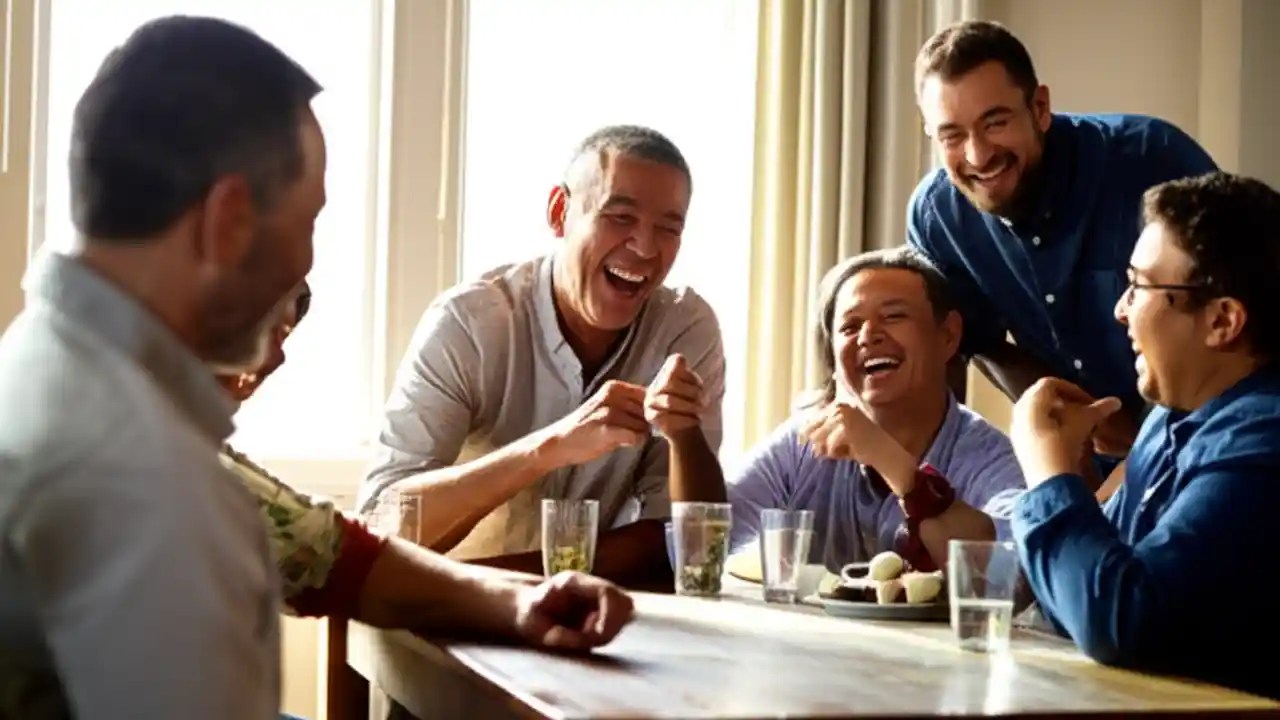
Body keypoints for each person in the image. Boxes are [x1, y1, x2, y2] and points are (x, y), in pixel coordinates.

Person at [0, 18, 626, 720]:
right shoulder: (149, 486)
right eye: (310, 219)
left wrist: (517, 602)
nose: (306, 261)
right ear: (230, 219)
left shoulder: (46, 371)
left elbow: (328, 554)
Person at [359, 125, 726, 586]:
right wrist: (546, 448)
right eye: (619, 217)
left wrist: (685, 436)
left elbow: (677, 545)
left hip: (584, 620)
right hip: (441, 625)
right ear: (559, 212)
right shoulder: (469, 324)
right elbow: (381, 524)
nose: (646, 247)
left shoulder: (686, 330)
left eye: (668, 228)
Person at [220, 282, 633, 646]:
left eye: (286, 329)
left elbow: (339, 558)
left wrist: (524, 600)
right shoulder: (172, 457)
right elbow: (365, 541)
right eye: (267, 324)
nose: (274, 360)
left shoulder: (209, 464)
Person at [1009, 172, 1280, 699]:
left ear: (1223, 320)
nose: (1120, 310)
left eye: (1140, 287)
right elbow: (1071, 602)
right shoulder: (1167, 414)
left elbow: (1122, 621)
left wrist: (1047, 472)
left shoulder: (1264, 438)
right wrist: (1077, 483)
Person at [905, 20, 1218, 469]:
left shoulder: (1153, 158)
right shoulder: (936, 217)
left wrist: (1147, 446)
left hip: (1206, 446)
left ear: (1040, 107)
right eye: (952, 135)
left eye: (995, 122)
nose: (977, 155)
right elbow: (974, 341)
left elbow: (1239, 310)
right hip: (1084, 464)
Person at [727, 248, 1024, 572]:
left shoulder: (991, 458)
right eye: (850, 327)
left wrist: (892, 463)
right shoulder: (804, 444)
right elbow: (714, 535)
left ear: (949, 335)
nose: (869, 336)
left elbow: (1006, 574)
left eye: (894, 316)